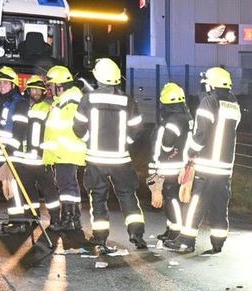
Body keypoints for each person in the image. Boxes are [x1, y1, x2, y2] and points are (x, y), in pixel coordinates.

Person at [77, 58, 147, 252]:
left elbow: (78, 127)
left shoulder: (88, 99)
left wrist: (89, 141)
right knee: (128, 196)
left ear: (97, 77)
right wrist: (125, 143)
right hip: (121, 159)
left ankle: (100, 238)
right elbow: (137, 128)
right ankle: (137, 235)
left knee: (98, 198)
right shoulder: (127, 100)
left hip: (96, 158)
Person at [169, 67, 241, 254]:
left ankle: (186, 241)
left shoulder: (209, 102)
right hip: (225, 168)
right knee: (219, 205)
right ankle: (218, 242)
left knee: (195, 204)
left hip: (207, 166)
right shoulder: (234, 103)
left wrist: (190, 152)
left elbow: (201, 134)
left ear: (212, 84)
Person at [40, 65, 89, 251]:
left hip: (68, 151)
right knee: (67, 186)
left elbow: (74, 128)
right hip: (64, 151)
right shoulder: (63, 100)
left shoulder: (71, 100)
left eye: (51, 85)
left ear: (59, 85)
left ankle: (70, 219)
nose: (49, 89)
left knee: (67, 186)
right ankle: (71, 218)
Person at [9, 72, 58, 228]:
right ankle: (32, 217)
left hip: (42, 159)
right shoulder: (22, 107)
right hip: (25, 159)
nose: (36, 92)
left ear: (43, 92)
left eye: (39, 90)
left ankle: (55, 219)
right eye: (33, 89)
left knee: (49, 191)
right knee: (28, 191)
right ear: (28, 90)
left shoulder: (48, 108)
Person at [150, 82, 192, 245]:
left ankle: (175, 230)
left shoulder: (173, 120)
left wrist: (166, 152)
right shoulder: (186, 117)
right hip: (180, 165)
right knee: (172, 199)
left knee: (171, 198)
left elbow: (166, 144)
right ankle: (170, 228)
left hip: (169, 166)